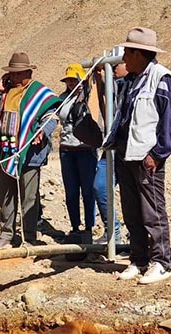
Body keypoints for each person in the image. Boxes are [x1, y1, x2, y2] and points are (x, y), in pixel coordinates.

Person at [105, 27, 171, 285]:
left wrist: (157, 154)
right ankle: (138, 260)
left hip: (147, 158)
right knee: (132, 211)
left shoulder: (162, 79)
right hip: (127, 155)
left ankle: (162, 262)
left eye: (128, 51)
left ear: (139, 53)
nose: (124, 56)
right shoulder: (132, 80)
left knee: (153, 211)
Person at [0, 52, 61, 250]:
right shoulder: (5, 93)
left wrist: (42, 132)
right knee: (5, 195)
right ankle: (6, 234)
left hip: (29, 153)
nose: (15, 77)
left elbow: (52, 116)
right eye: (12, 73)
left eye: (19, 73)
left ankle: (29, 237)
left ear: (29, 72)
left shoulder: (39, 93)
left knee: (29, 197)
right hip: (4, 151)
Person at [56, 63, 97, 239]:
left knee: (88, 190)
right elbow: (59, 115)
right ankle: (74, 226)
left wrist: (84, 92)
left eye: (74, 79)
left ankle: (89, 227)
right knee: (71, 191)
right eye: (69, 80)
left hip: (85, 149)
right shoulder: (63, 98)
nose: (71, 83)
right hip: (67, 149)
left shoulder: (90, 97)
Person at [93, 61, 128, 245]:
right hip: (112, 147)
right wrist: (100, 82)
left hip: (130, 149)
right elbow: (105, 109)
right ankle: (113, 231)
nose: (114, 68)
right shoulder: (114, 86)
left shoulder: (132, 84)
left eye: (117, 64)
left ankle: (137, 234)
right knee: (100, 186)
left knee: (133, 193)